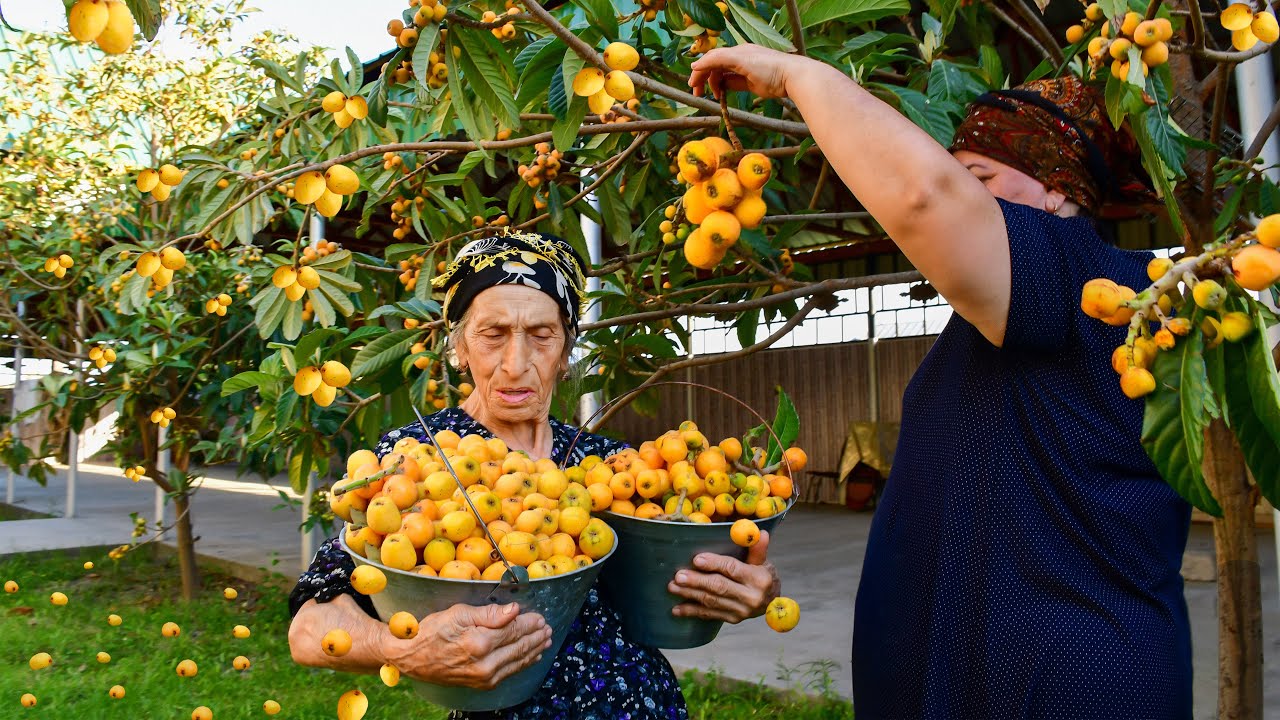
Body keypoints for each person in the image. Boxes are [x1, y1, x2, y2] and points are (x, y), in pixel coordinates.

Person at [689, 46, 1191, 719]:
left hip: (1064, 680)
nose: (966, 198)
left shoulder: (1086, 277)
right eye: (961, 178)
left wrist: (800, 76)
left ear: (1056, 188)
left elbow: (923, 198)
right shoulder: (1021, 315)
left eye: (980, 176)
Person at [287, 228, 781, 720]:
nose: (516, 364)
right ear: (459, 347)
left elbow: (671, 579)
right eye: (492, 334)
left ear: (566, 352)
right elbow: (310, 627)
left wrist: (745, 587)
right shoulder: (418, 458)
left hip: (647, 705)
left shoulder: (605, 461)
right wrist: (399, 650)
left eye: (542, 336)